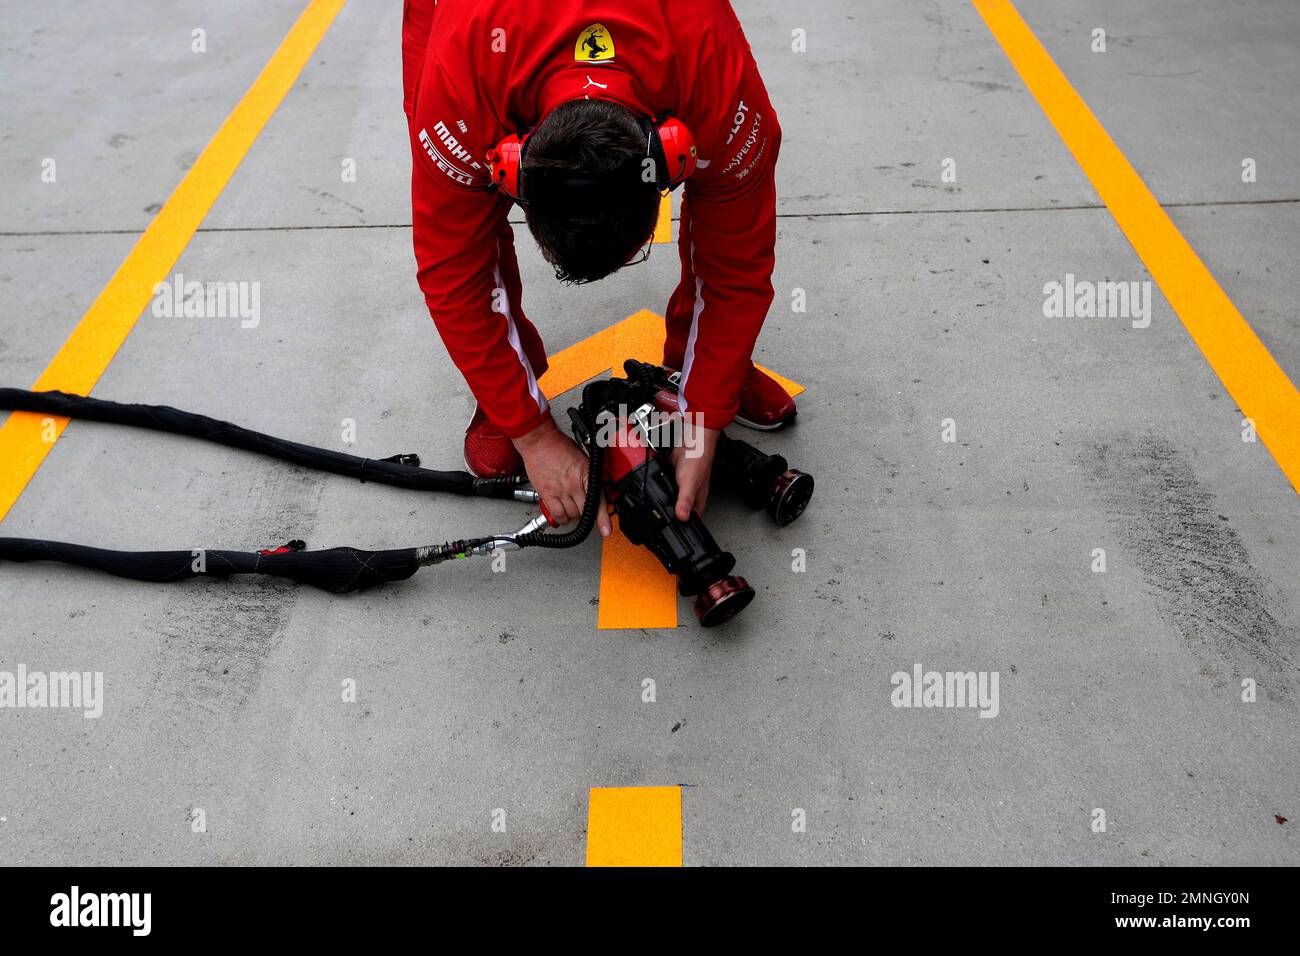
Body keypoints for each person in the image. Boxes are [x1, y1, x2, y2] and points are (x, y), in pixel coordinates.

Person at [402, 0, 795, 537]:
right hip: (470, 21)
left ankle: (699, 368)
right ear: (511, 168)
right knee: (460, 203)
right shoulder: (462, 84)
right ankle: (505, 392)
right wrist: (531, 432)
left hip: (670, 33)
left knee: (714, 362)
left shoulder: (714, 80)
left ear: (673, 155)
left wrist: (705, 412)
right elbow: (454, 268)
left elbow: (737, 263)